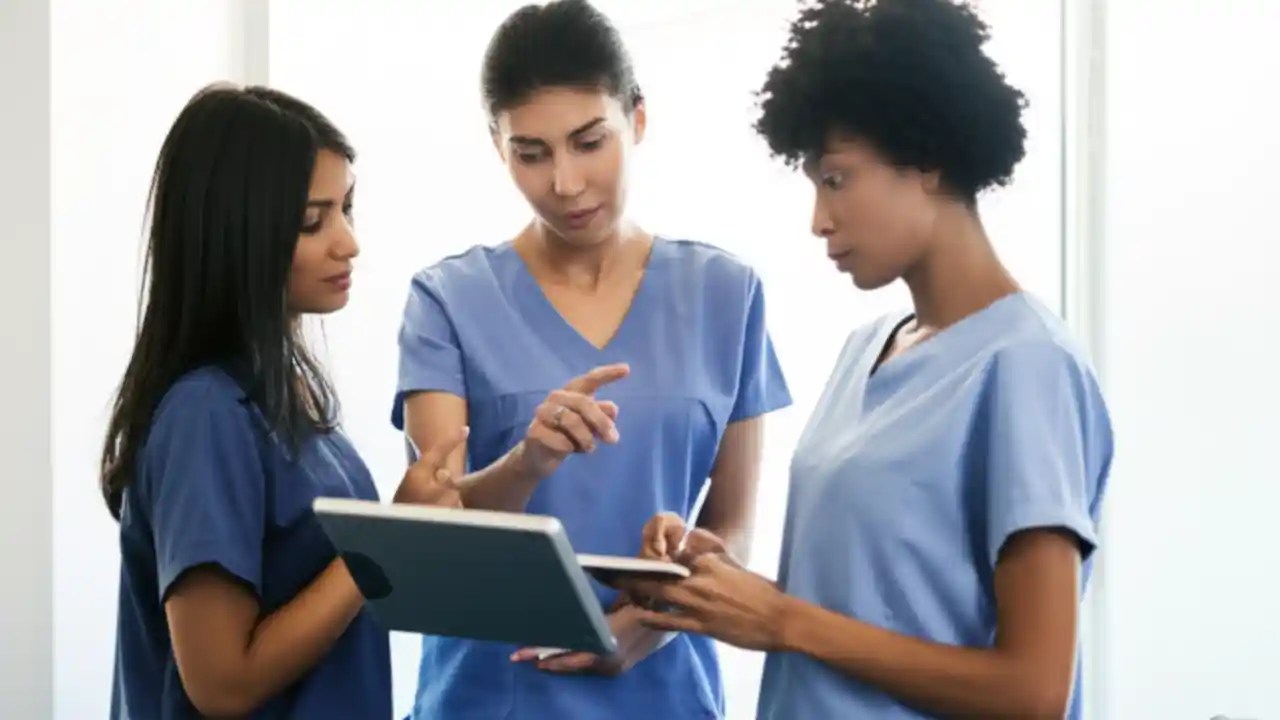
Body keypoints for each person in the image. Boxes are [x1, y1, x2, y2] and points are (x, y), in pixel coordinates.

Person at [627, 1, 1115, 719]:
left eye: (835, 179)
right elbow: (872, 600)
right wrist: (726, 581)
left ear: (926, 159)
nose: (818, 220)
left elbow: (1034, 690)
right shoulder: (868, 348)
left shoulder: (1027, 366)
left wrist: (784, 623)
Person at [391, 1, 792, 717]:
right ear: (498, 146)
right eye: (532, 153)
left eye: (589, 141)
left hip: (664, 690)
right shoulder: (446, 300)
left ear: (637, 120)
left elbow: (732, 526)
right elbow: (436, 522)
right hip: (490, 694)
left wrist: (647, 627)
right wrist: (530, 461)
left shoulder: (727, 294)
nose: (566, 183)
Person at [101, 84, 464, 719]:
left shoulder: (284, 400)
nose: (347, 242)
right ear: (239, 233)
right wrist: (380, 541)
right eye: (312, 221)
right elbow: (222, 685)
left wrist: (529, 464)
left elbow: (343, 601)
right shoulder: (206, 415)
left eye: (347, 208)